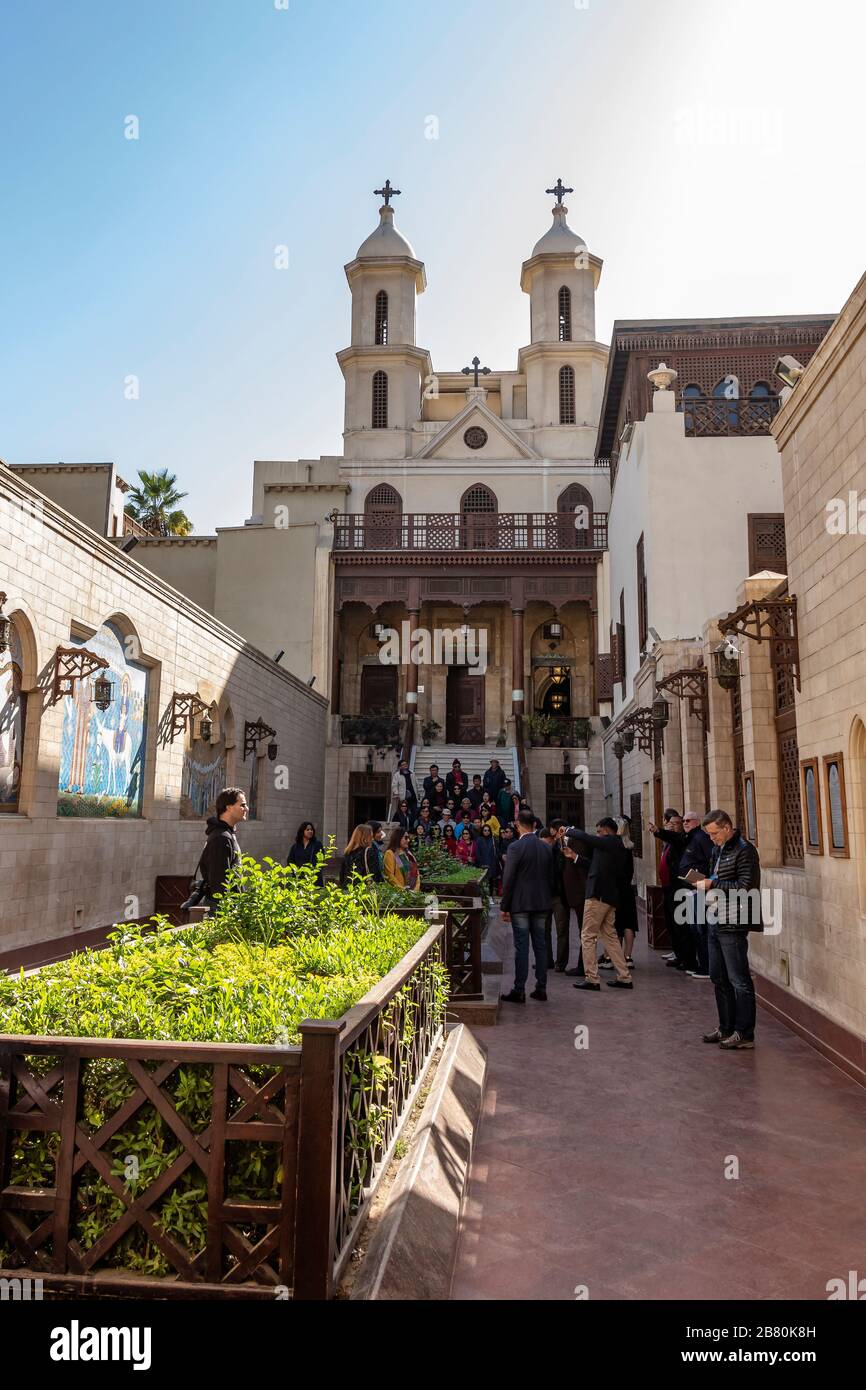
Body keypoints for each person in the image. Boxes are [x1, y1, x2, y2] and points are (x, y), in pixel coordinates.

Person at [696, 809, 761, 1050]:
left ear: (726, 827)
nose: (711, 839)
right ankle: (726, 1028)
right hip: (715, 918)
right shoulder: (717, 849)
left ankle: (744, 1033)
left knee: (739, 980)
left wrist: (713, 883)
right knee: (718, 977)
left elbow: (745, 887)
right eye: (709, 835)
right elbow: (716, 876)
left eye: (714, 834)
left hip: (734, 921)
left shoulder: (745, 850)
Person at [565, 818, 633, 991]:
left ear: (606, 831)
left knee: (587, 935)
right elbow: (594, 865)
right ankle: (624, 976)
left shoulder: (610, 841)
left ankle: (592, 978)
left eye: (599, 831)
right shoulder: (615, 846)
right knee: (610, 936)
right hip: (610, 897)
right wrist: (575, 857)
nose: (597, 835)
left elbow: (586, 838)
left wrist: (567, 829)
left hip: (598, 895)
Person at [500, 810, 554, 1003]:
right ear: (534, 825)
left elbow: (509, 878)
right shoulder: (546, 848)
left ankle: (519, 989)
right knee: (540, 945)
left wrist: (504, 905)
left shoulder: (515, 847)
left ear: (518, 825)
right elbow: (551, 877)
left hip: (521, 903)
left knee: (521, 947)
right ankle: (541, 988)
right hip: (541, 903)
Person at [650, 810, 695, 972]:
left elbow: (675, 839)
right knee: (671, 923)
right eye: (672, 823)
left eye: (678, 823)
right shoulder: (671, 841)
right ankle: (678, 954)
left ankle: (685, 958)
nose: (674, 826)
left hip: (679, 887)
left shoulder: (682, 840)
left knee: (680, 925)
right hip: (668, 887)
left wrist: (660, 832)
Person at [677, 810, 715, 979]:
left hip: (700, 889)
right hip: (692, 888)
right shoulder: (691, 837)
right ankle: (700, 963)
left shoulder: (701, 837)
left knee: (700, 929)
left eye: (688, 820)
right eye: (683, 820)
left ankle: (706, 966)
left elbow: (711, 862)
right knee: (694, 928)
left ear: (697, 822)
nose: (685, 823)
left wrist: (701, 880)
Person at [198, 787, 247, 911]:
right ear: (228, 807)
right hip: (222, 911)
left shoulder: (226, 834)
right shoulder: (221, 838)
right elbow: (219, 883)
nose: (246, 809)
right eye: (242, 805)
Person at [612, 816, 638, 968]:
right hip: (627, 889)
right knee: (628, 923)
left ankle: (613, 957)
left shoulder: (614, 846)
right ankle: (627, 956)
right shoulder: (628, 846)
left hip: (616, 890)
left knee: (616, 924)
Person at [546, 819, 572, 973]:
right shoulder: (549, 848)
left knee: (562, 930)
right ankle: (547, 960)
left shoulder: (566, 848)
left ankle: (561, 963)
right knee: (544, 930)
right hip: (546, 894)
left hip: (560, 896)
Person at [288, 820, 324, 886]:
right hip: (299, 879)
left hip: (313, 879)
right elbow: (290, 861)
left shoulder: (317, 845)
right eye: (307, 830)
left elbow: (321, 861)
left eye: (311, 830)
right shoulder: (295, 847)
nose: (310, 831)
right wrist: (295, 873)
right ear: (302, 831)